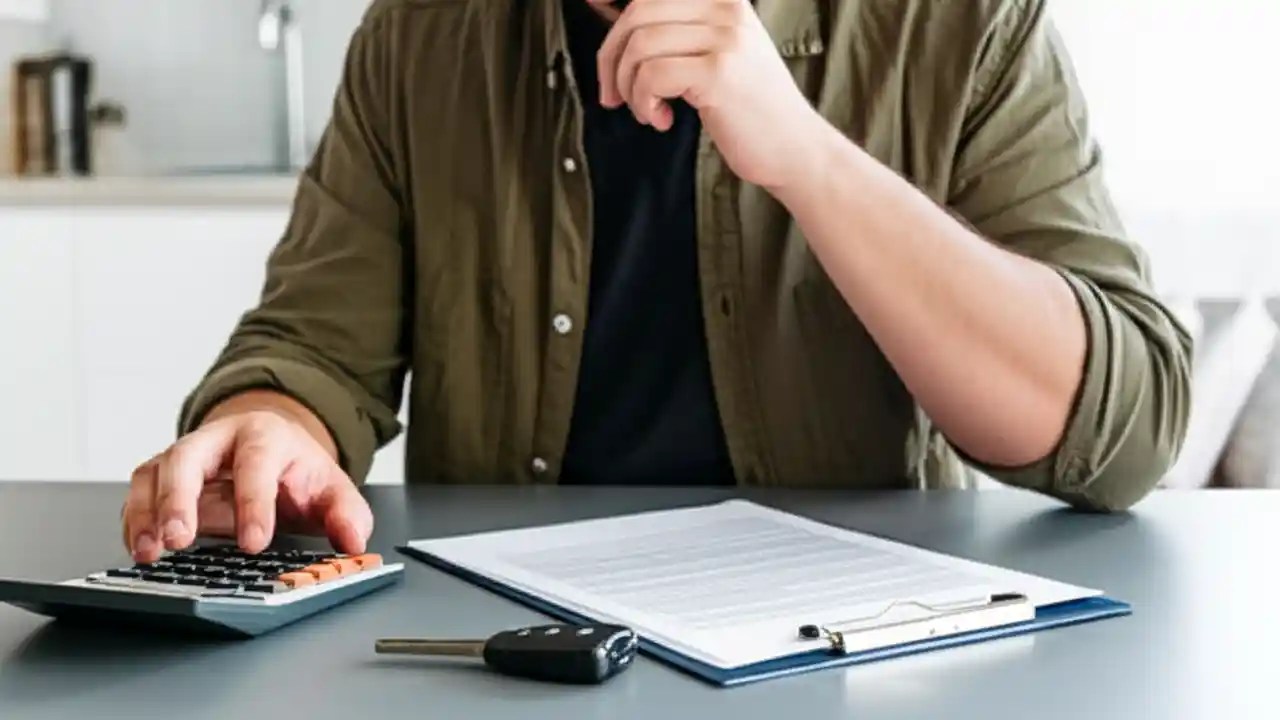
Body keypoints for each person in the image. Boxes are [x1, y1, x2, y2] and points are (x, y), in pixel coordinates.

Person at [121, 0, 1192, 563]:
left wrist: (804, 157)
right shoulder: (419, 36)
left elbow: (1124, 431)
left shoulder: (958, 21)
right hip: (510, 649)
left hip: (854, 653)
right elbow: (310, 349)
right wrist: (266, 431)